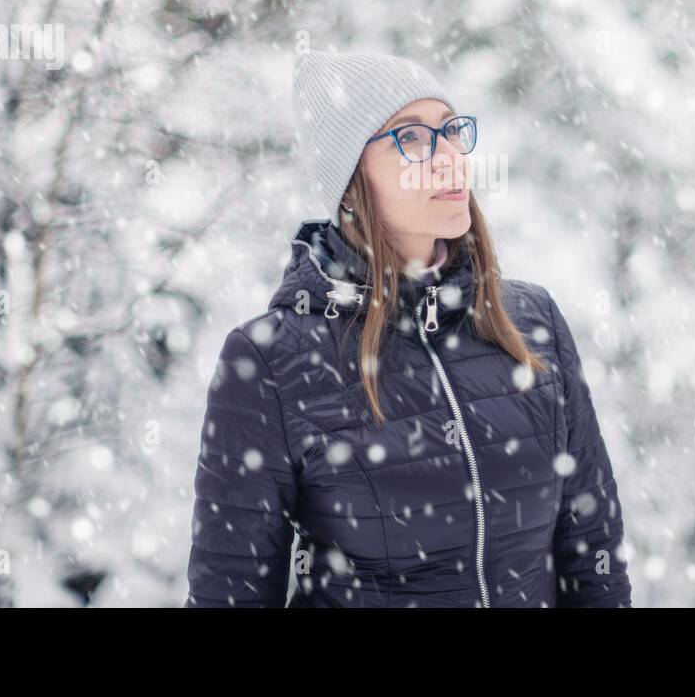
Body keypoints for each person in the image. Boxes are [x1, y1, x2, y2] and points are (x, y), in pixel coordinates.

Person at [185, 50, 632, 607]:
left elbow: (592, 549)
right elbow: (231, 596)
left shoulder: (532, 321)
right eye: (412, 138)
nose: (446, 158)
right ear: (351, 177)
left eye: (449, 131)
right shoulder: (271, 360)